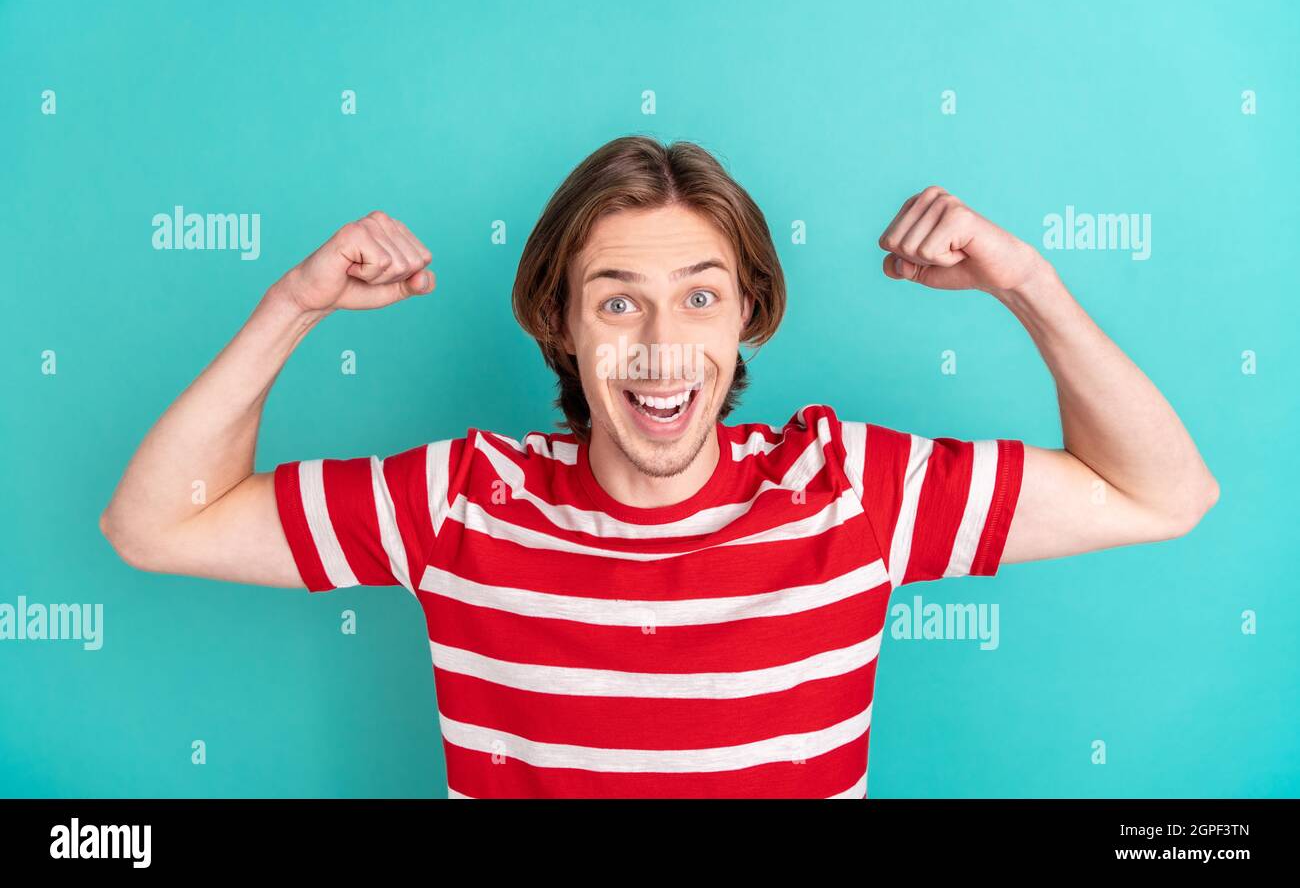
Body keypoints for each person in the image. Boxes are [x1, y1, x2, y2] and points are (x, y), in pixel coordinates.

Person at [99, 135, 1218, 798]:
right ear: (562, 324)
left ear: (747, 318)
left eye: (698, 294)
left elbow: (1164, 492)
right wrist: (293, 306)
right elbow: (158, 525)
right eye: (616, 301)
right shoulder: (461, 499)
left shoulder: (849, 487)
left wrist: (1026, 281)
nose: (660, 344)